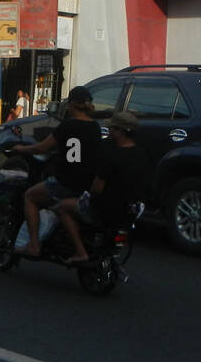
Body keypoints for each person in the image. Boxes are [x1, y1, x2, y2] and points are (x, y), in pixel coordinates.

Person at [7, 85, 101, 257]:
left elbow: (42, 148)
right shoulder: (95, 127)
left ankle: (34, 244)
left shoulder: (68, 126)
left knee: (30, 196)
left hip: (66, 182)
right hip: (85, 184)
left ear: (71, 105)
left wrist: (21, 149)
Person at [56, 110, 152, 263]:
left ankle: (80, 252)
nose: (110, 131)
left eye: (112, 128)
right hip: (129, 210)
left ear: (119, 131)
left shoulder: (110, 154)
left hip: (105, 209)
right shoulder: (141, 154)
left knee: (63, 207)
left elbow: (97, 188)